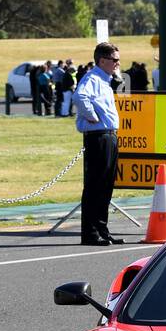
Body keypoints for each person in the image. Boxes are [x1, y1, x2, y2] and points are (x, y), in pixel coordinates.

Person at [75, 41, 124, 246]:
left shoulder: (105, 80)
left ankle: (102, 230)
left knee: (106, 185)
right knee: (95, 185)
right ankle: (90, 233)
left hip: (109, 135)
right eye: (114, 60)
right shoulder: (92, 78)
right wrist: (93, 117)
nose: (117, 64)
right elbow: (80, 97)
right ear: (102, 60)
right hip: (98, 136)